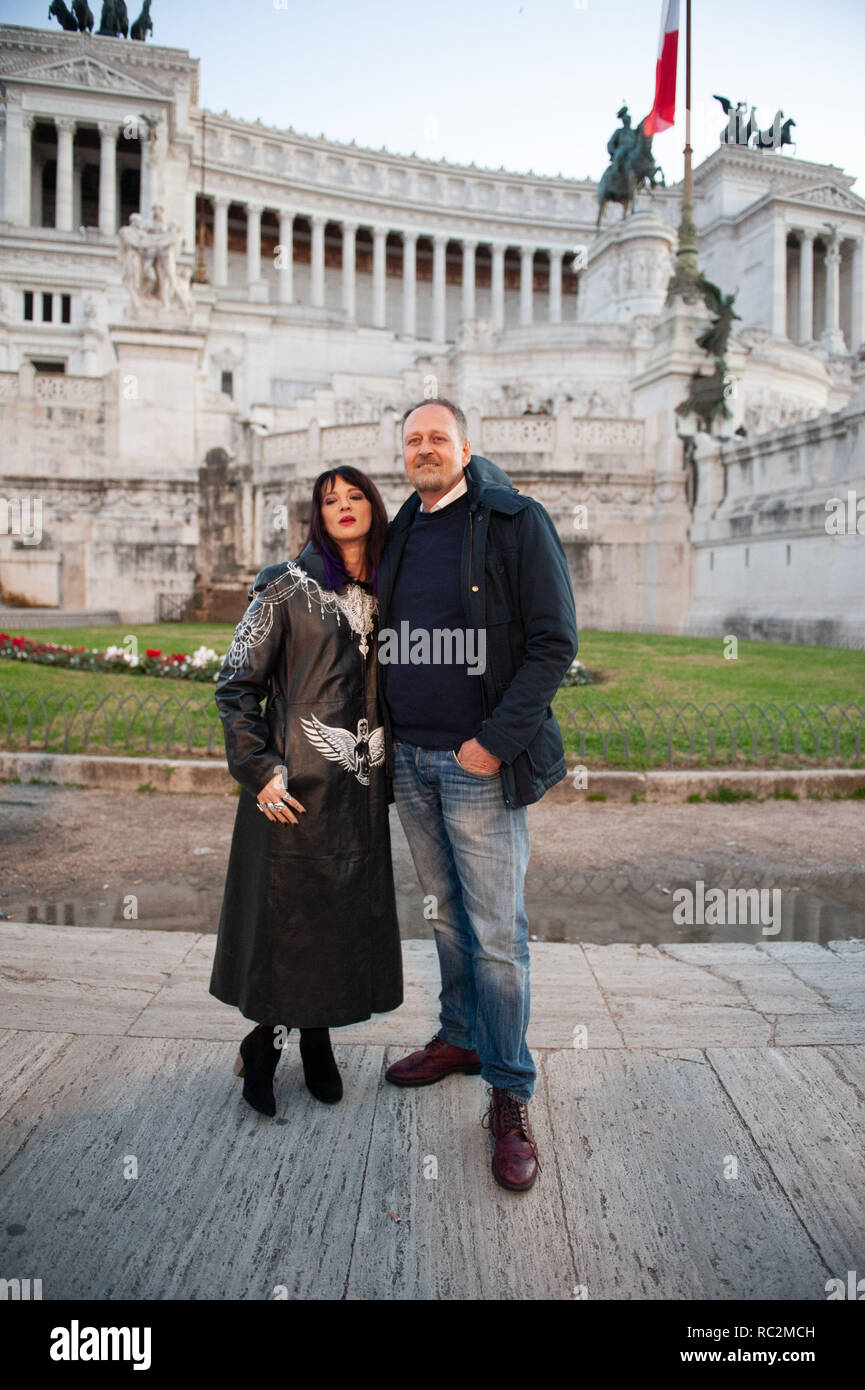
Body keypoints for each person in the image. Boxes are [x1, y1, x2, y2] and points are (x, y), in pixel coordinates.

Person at [377, 398, 577, 1192]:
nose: (425, 450)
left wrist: (492, 744)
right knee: (446, 915)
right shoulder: (400, 531)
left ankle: (509, 1093)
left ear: (466, 448)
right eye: (413, 440)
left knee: (497, 934)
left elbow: (554, 642)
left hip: (475, 766)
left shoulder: (512, 519)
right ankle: (459, 1037)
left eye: (438, 438)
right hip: (410, 763)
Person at [209, 467, 403, 1116]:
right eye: (329, 500)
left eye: (353, 497)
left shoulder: (393, 589)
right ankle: (264, 1043)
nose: (342, 507)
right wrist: (258, 768)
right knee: (284, 921)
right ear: (316, 516)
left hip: (359, 793)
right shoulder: (282, 585)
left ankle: (315, 1038)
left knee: (337, 918)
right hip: (289, 788)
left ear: (374, 508)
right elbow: (235, 684)